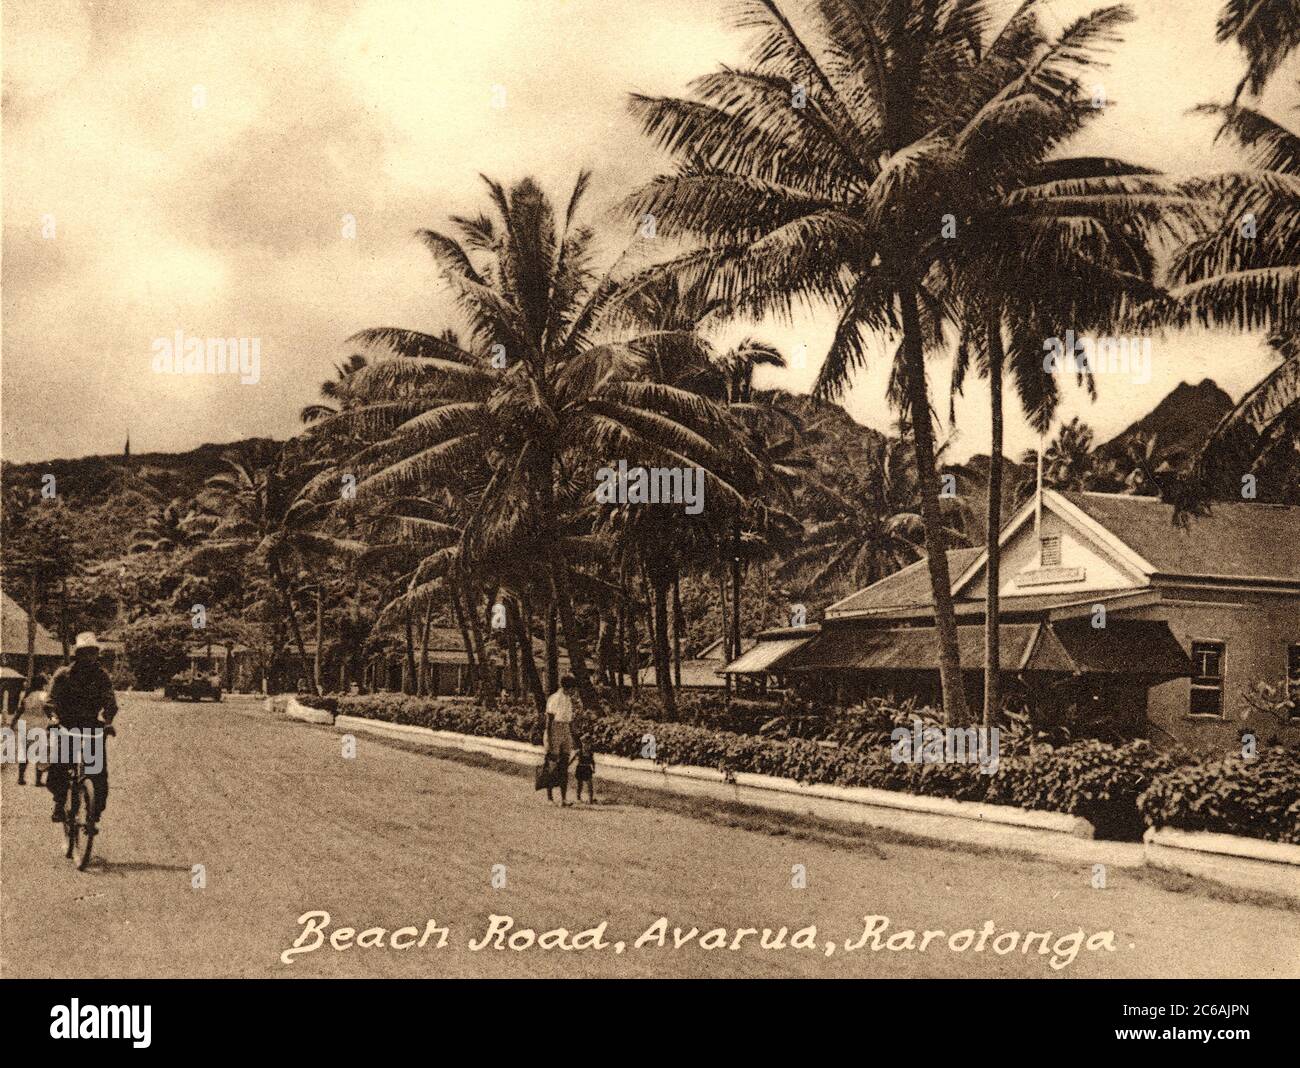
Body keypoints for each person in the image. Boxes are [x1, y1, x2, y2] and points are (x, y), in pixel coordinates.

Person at [45, 632, 118, 824]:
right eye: (85, 653)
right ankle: (60, 802)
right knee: (59, 766)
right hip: (67, 725)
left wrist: (108, 721)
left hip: (92, 726)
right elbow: (50, 700)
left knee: (98, 773)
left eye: (92, 653)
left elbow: (110, 700)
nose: (89, 657)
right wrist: (53, 718)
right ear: (78, 654)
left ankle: (95, 810)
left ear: (96, 655)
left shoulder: (101, 676)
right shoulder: (63, 675)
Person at [543, 675, 578, 806]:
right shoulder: (554, 698)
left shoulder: (568, 700)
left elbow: (570, 720)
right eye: (573, 688)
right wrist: (550, 739)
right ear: (567, 687)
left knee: (564, 765)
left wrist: (573, 736)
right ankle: (550, 798)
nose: (574, 691)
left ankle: (563, 799)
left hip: (565, 729)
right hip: (555, 728)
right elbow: (549, 720)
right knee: (551, 765)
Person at [9, 672, 49, 786]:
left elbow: (20, 710)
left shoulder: (26, 695)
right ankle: (38, 780)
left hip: (24, 724)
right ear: (43, 684)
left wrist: (13, 723)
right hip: (39, 724)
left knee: (24, 752)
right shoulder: (44, 695)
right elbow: (48, 710)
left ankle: (21, 778)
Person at [573, 737, 595, 804]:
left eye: (588, 744)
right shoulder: (579, 751)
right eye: (585, 743)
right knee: (580, 785)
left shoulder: (590, 753)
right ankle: (578, 798)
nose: (586, 745)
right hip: (580, 768)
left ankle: (590, 799)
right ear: (582, 743)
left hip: (587, 768)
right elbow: (573, 759)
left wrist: (594, 768)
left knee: (590, 785)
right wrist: (567, 765)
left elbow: (593, 761)